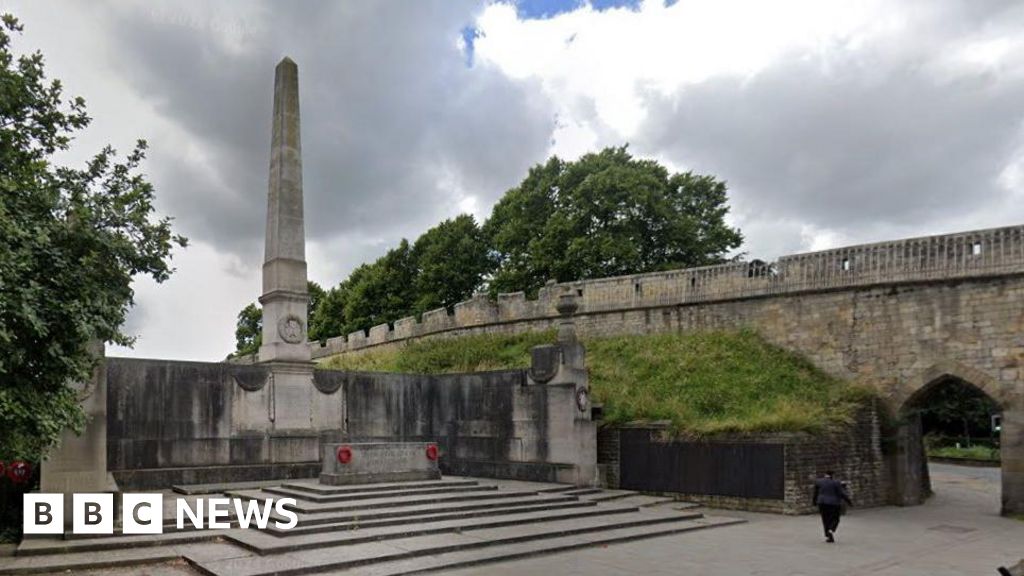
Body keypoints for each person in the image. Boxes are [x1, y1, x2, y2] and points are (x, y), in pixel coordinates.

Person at [812, 471, 853, 543]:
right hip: (833, 503)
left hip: (822, 502)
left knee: (825, 519)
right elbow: (841, 493)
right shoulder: (836, 482)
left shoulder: (819, 481)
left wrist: (814, 502)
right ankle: (831, 529)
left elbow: (816, 493)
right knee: (836, 518)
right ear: (832, 475)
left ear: (825, 475)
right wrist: (849, 502)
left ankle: (828, 535)